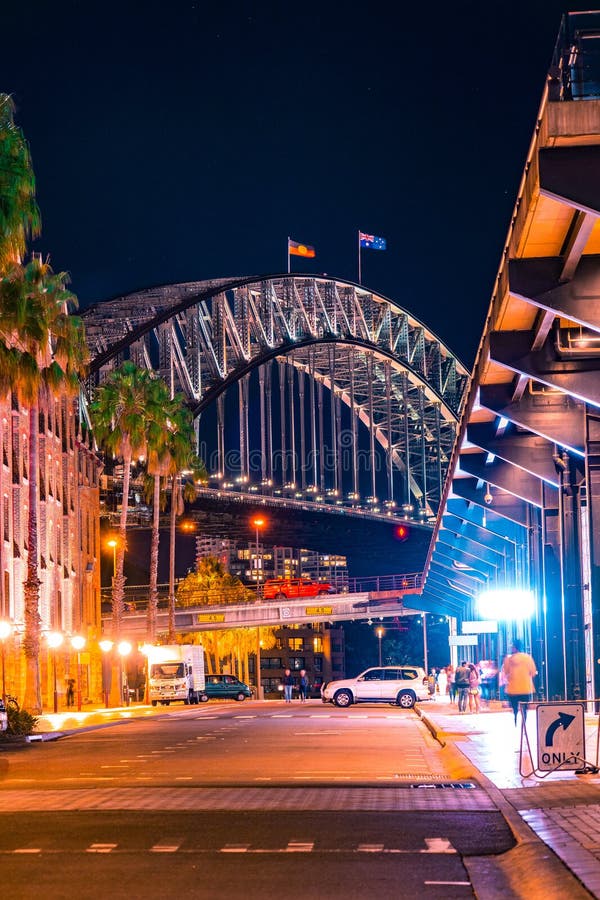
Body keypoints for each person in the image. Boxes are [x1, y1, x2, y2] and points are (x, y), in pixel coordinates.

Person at [502, 639, 537, 725]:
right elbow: (533, 672)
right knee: (525, 707)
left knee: (514, 706)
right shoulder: (528, 658)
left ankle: (515, 719)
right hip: (525, 688)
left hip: (512, 689)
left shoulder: (508, 659)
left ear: (514, 647)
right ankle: (524, 721)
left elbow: (506, 672)